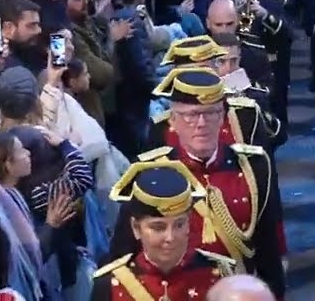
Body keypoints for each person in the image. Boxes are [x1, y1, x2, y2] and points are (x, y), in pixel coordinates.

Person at [115, 70, 285, 297]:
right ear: (172, 120)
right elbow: (126, 251)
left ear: (223, 116)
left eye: (210, 113)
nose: (201, 123)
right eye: (190, 115)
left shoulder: (253, 165)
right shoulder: (149, 171)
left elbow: (267, 246)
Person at [92, 161, 235, 301]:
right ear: (136, 228)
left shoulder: (221, 276)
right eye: (158, 227)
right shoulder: (110, 284)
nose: (170, 237)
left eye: (179, 225)